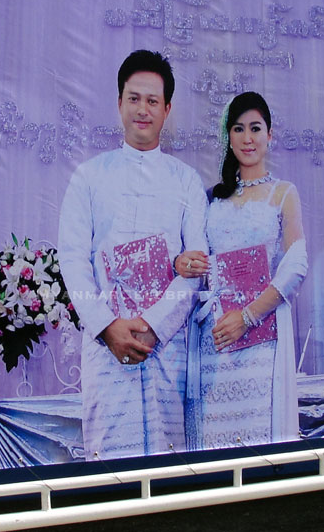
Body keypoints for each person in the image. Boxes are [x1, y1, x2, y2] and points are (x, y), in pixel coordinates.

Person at [58, 50, 208, 460]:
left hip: (167, 347)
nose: (143, 109)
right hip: (106, 347)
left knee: (171, 466)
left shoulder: (186, 181)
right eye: (134, 98)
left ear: (167, 109)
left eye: (153, 101)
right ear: (119, 103)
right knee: (110, 469)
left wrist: (152, 325)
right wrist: (107, 326)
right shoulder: (88, 177)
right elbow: (73, 261)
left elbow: (196, 267)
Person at [179, 91, 307, 450]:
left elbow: (296, 265)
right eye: (238, 129)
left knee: (257, 442)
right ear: (228, 137)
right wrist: (188, 265)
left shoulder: (283, 193)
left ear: (270, 135)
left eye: (255, 128)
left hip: (261, 332)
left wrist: (248, 316)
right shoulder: (210, 198)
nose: (247, 138)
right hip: (216, 334)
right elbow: (196, 262)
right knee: (216, 440)